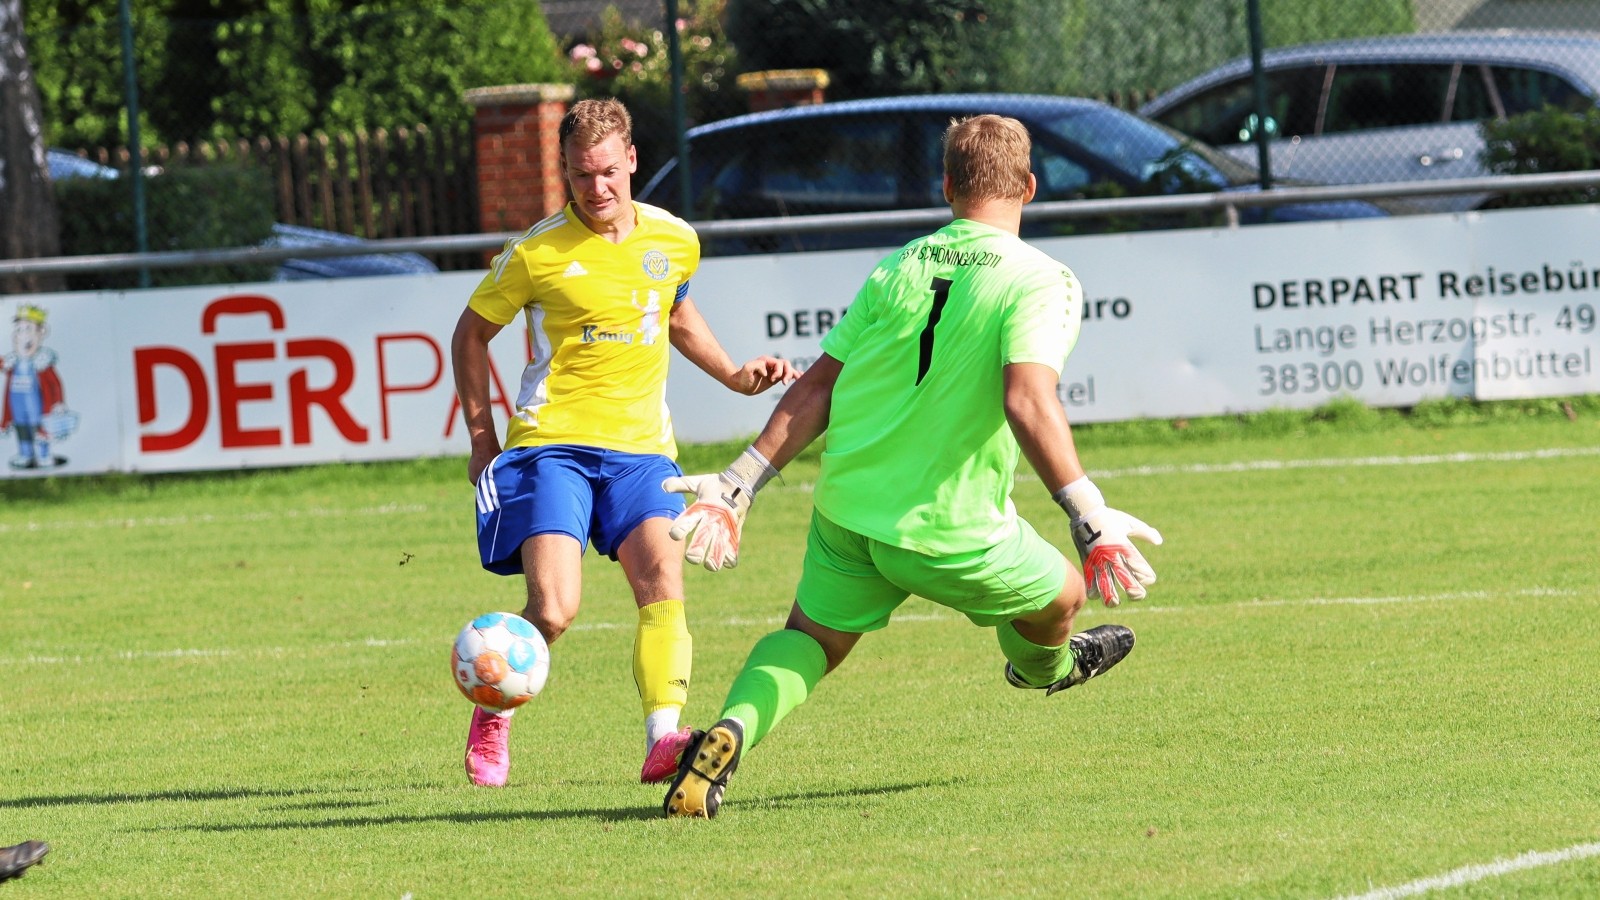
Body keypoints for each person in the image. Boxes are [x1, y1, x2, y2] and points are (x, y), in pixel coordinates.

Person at [658, 114, 1163, 818]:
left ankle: (728, 733)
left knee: (809, 640)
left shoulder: (899, 264)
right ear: (1030, 186)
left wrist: (740, 481)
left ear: (948, 186)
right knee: (1064, 597)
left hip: (848, 512)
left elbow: (818, 388)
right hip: (946, 529)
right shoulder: (1041, 278)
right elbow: (1028, 399)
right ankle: (1046, 668)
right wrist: (1088, 513)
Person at [450, 98, 798, 788]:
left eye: (608, 171)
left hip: (642, 452)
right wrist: (482, 437)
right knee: (554, 609)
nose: (597, 188)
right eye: (582, 175)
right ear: (565, 172)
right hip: (553, 447)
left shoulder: (674, 239)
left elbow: (674, 311)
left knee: (662, 583)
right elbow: (469, 334)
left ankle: (663, 740)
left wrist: (734, 374)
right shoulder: (536, 252)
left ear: (632, 159)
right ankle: (494, 707)